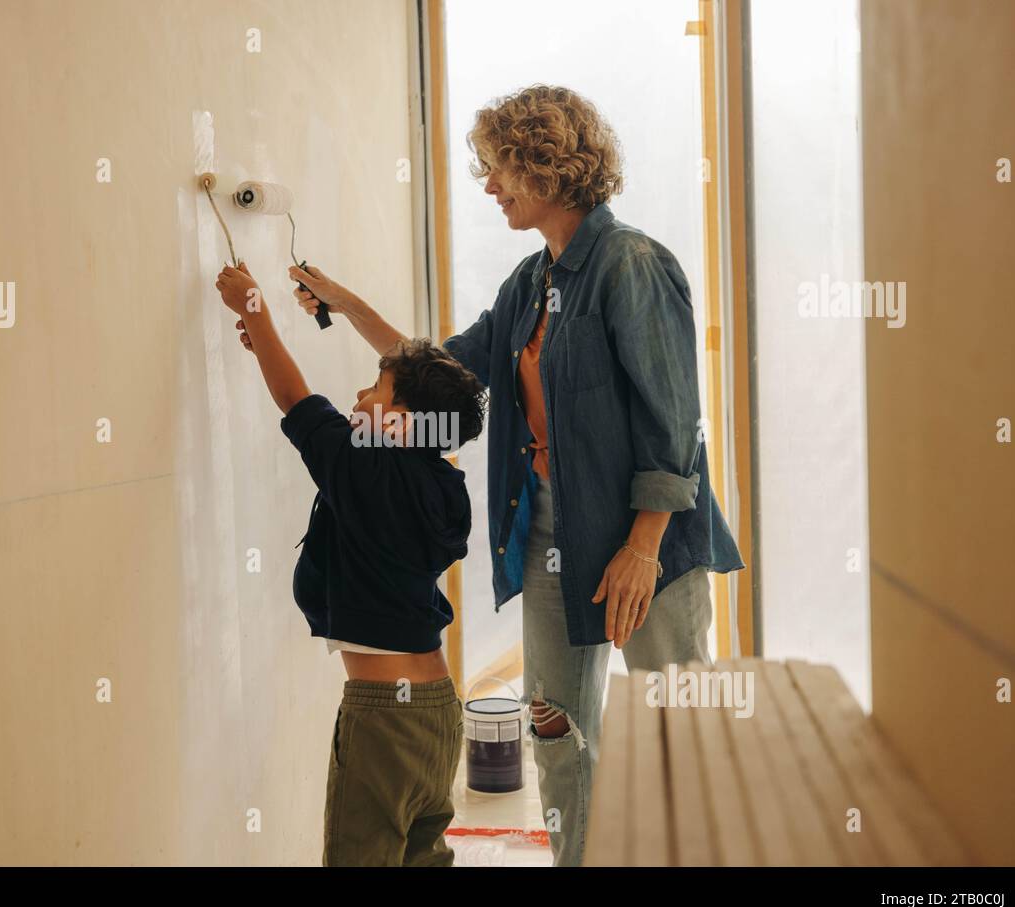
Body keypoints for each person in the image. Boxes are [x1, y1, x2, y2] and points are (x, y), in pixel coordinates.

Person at [287, 85, 744, 866]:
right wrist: (343, 300)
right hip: (547, 535)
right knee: (556, 725)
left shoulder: (631, 264)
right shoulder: (527, 287)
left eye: (500, 168)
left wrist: (641, 545)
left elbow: (675, 421)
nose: (490, 185)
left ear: (547, 165)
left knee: (675, 724)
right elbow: (435, 369)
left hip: (648, 540)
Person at [215, 260, 488, 866]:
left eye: (375, 390)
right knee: (424, 858)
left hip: (383, 715)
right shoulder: (445, 484)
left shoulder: (364, 470)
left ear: (400, 420)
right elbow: (429, 404)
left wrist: (254, 309)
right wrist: (261, 334)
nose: (361, 396)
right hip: (439, 709)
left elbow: (296, 399)